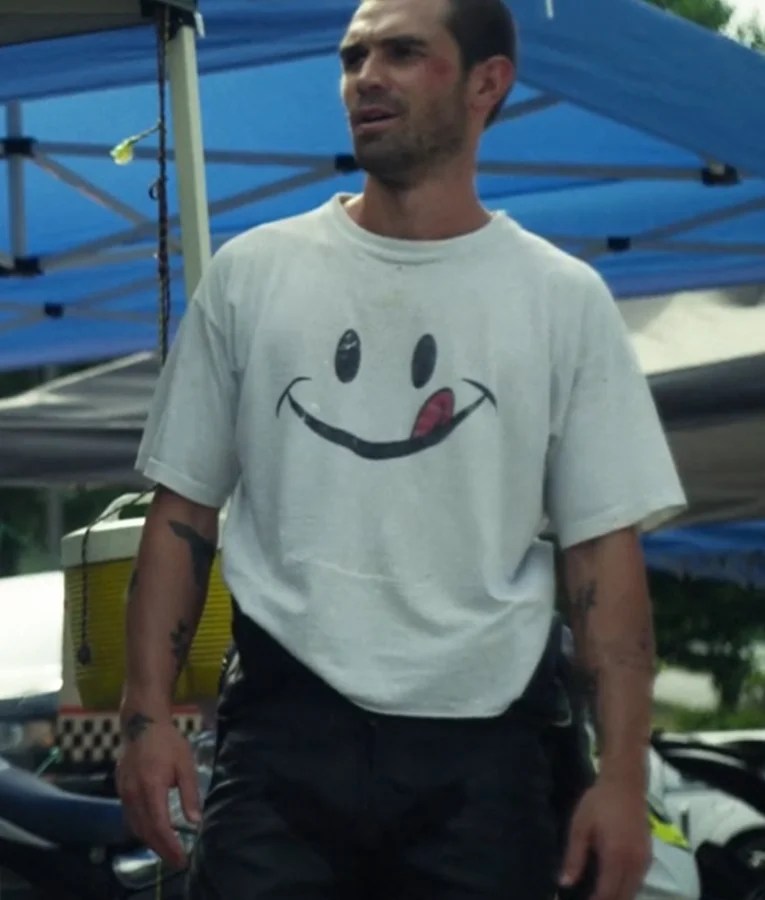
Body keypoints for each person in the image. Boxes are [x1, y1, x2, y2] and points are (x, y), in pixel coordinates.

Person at [116, 0, 687, 897]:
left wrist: (620, 778)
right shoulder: (252, 274)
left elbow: (601, 553)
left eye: (403, 53)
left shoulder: (560, 298)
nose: (366, 78)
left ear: (486, 83)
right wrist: (146, 716)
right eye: (353, 57)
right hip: (282, 733)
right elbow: (182, 510)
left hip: (485, 750)